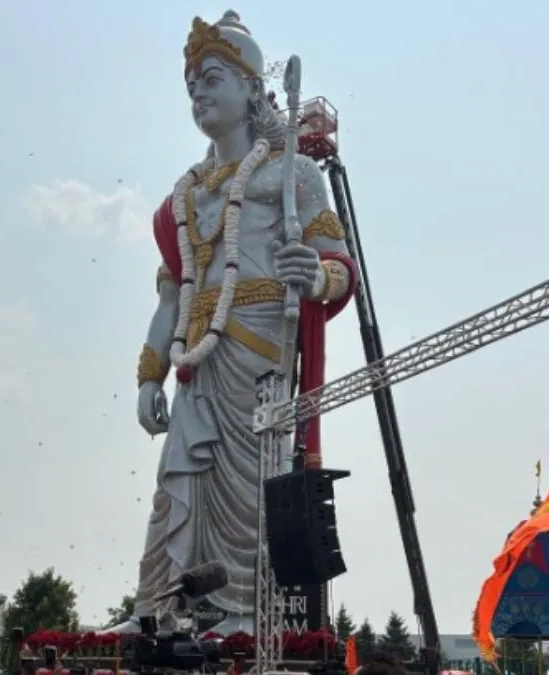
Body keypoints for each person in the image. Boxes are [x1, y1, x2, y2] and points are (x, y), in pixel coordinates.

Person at [113, 9, 358, 636]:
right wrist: (149, 376)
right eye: (191, 82)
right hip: (196, 361)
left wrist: (314, 276)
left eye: (213, 77)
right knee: (178, 486)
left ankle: (241, 616)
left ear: (251, 88)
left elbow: (339, 268)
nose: (198, 92)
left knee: (249, 495)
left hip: (258, 356)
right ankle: (156, 612)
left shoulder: (292, 174)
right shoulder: (185, 197)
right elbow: (170, 297)